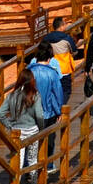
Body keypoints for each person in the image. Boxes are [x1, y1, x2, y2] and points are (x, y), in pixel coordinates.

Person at [0, 69, 45, 184]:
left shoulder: (12, 95)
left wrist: (10, 126)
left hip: (16, 134)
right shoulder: (35, 95)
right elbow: (39, 115)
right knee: (32, 160)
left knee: (17, 161)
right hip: (32, 132)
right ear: (32, 80)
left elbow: (0, 114)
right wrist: (42, 128)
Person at [27, 42, 66, 174]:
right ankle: (48, 165)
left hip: (30, 112)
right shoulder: (52, 73)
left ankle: (30, 166)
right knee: (49, 139)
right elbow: (58, 94)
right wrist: (59, 110)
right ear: (50, 57)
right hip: (48, 112)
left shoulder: (28, 71)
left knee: (31, 139)